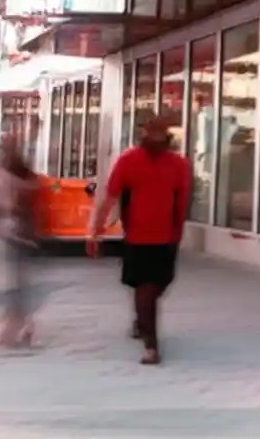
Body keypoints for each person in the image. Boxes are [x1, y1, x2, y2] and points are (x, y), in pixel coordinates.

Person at [87, 116, 190, 366]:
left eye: (158, 135)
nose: (154, 139)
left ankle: (142, 321)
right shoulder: (129, 161)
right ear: (143, 136)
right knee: (145, 290)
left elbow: (183, 202)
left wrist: (178, 233)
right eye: (150, 134)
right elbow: (109, 198)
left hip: (166, 238)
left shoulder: (179, 165)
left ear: (166, 138)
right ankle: (151, 345)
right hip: (137, 237)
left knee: (158, 286)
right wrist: (95, 232)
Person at [0, 134, 39, 348]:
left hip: (15, 231)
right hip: (19, 231)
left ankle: (15, 326)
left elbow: (3, 200)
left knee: (17, 283)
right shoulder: (24, 173)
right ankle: (23, 325)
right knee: (18, 282)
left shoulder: (6, 172)